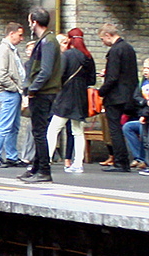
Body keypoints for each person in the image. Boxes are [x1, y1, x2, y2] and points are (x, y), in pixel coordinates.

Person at [20, 8, 62, 183]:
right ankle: (36, 167)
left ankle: (44, 170)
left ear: (34, 22)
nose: (29, 24)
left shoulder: (48, 42)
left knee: (39, 132)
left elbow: (45, 71)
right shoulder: (46, 40)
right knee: (38, 131)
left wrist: (32, 90)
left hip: (43, 93)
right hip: (43, 91)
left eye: (30, 21)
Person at [50, 28, 96, 174]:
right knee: (78, 131)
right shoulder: (88, 57)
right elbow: (92, 80)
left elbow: (60, 76)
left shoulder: (67, 55)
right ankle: (78, 163)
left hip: (65, 98)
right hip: (81, 98)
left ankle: (45, 160)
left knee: (53, 130)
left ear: (70, 39)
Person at [97, 23, 139, 173]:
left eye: (103, 39)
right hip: (130, 95)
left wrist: (101, 92)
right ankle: (140, 158)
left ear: (108, 35)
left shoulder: (115, 50)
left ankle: (121, 162)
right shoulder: (128, 48)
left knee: (115, 129)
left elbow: (113, 77)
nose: (103, 42)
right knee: (133, 128)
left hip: (115, 97)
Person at [0, 22, 25, 167]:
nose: (22, 38)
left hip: (14, 93)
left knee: (14, 125)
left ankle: (12, 156)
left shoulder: (12, 50)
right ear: (11, 34)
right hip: (9, 93)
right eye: (20, 35)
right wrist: (15, 88)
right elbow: (1, 75)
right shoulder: (3, 50)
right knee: (5, 125)